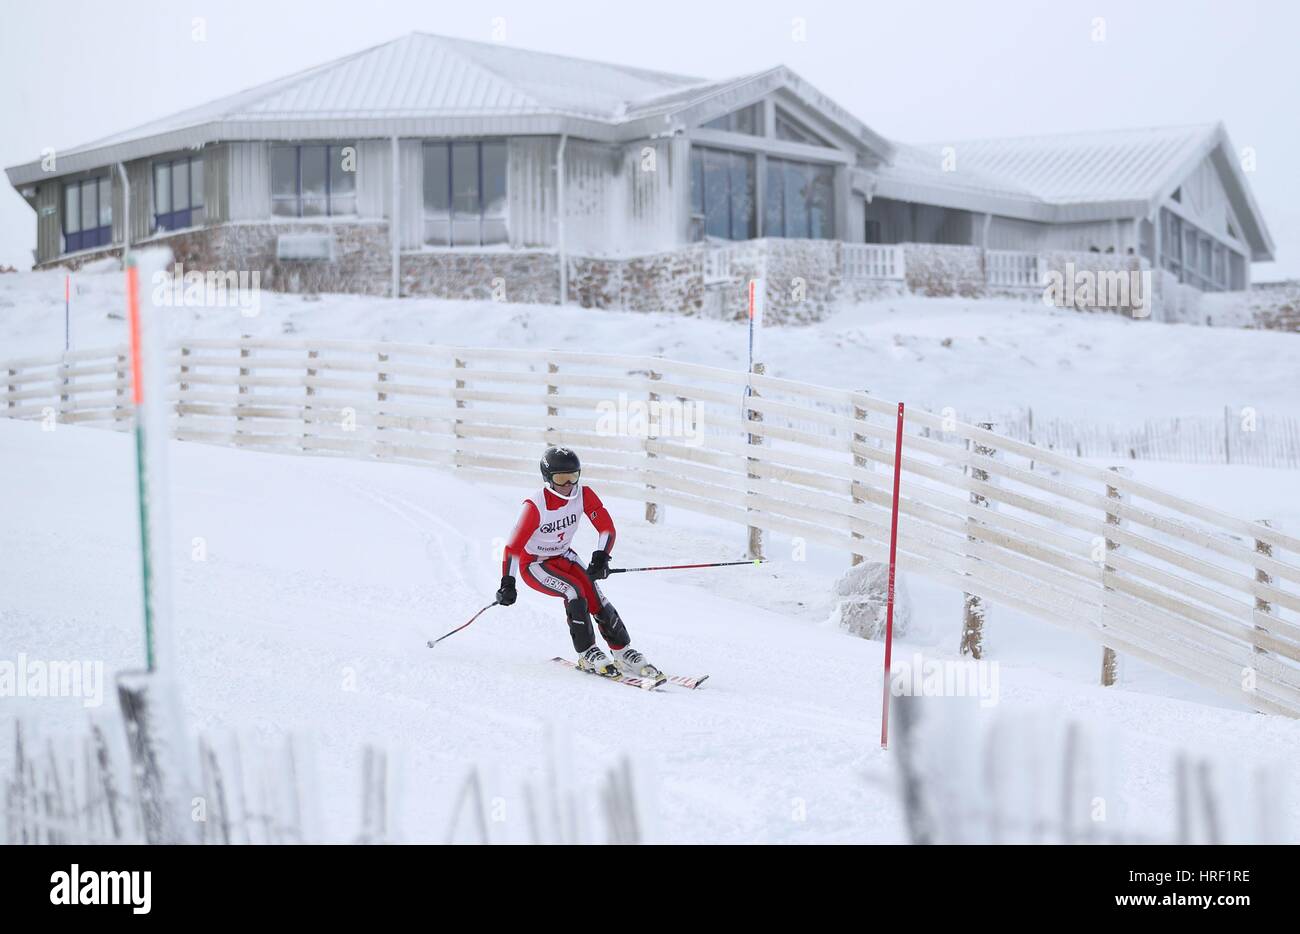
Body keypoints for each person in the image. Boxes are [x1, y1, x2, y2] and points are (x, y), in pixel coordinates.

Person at [495, 446, 660, 679]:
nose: (568, 484)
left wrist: (601, 557)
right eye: (561, 478)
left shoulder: (583, 494)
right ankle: (587, 652)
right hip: (535, 564)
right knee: (574, 592)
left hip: (564, 556)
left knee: (594, 593)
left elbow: (606, 529)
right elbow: (512, 548)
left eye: (573, 476)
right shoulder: (534, 506)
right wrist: (507, 583)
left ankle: (622, 651)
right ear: (548, 479)